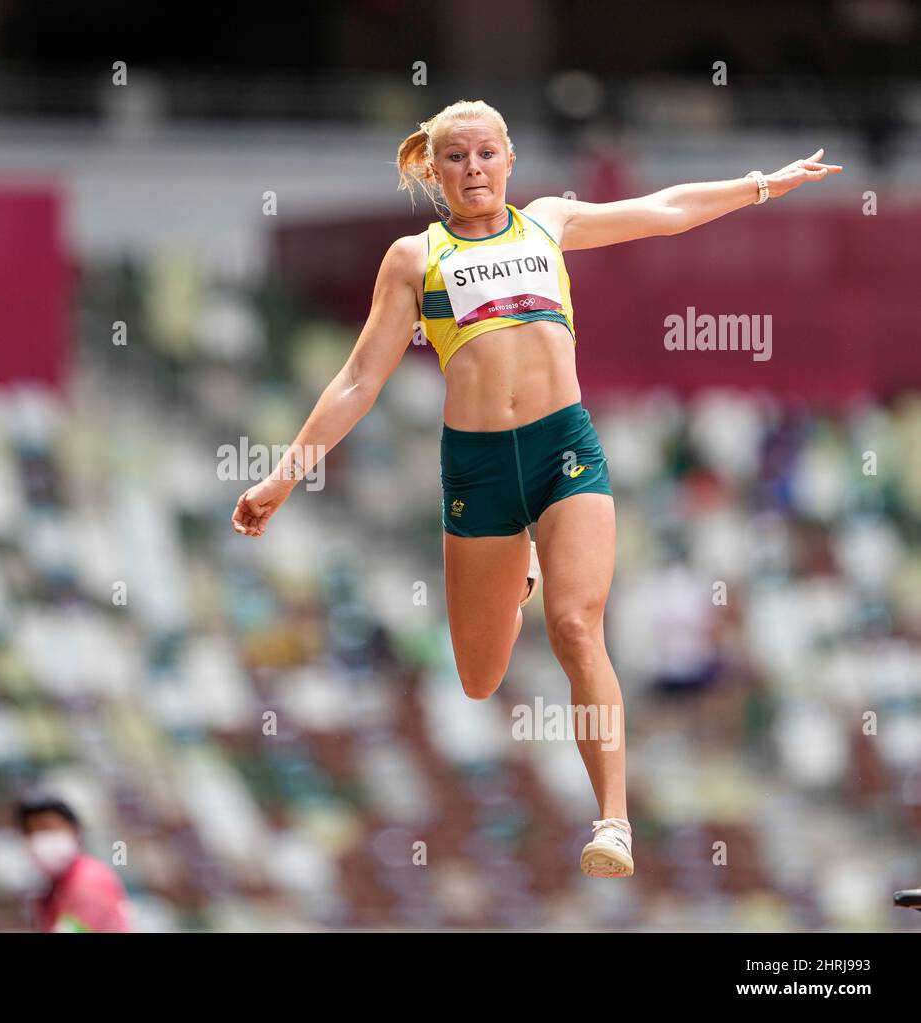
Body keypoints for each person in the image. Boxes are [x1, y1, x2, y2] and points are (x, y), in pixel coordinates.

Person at [230, 99, 840, 878]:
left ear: (510, 161)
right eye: (456, 159)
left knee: (579, 626)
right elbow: (357, 379)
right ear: (434, 171)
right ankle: (512, 570)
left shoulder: (546, 223)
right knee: (480, 676)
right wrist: (285, 476)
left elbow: (660, 211)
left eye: (486, 154)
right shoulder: (414, 258)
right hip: (478, 470)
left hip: (563, 452)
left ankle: (612, 819)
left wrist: (756, 185)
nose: (474, 169)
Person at [17, 791, 131, 931]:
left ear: (74, 830)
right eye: (30, 832)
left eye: (47, 828)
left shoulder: (88, 881)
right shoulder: (54, 887)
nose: (39, 838)